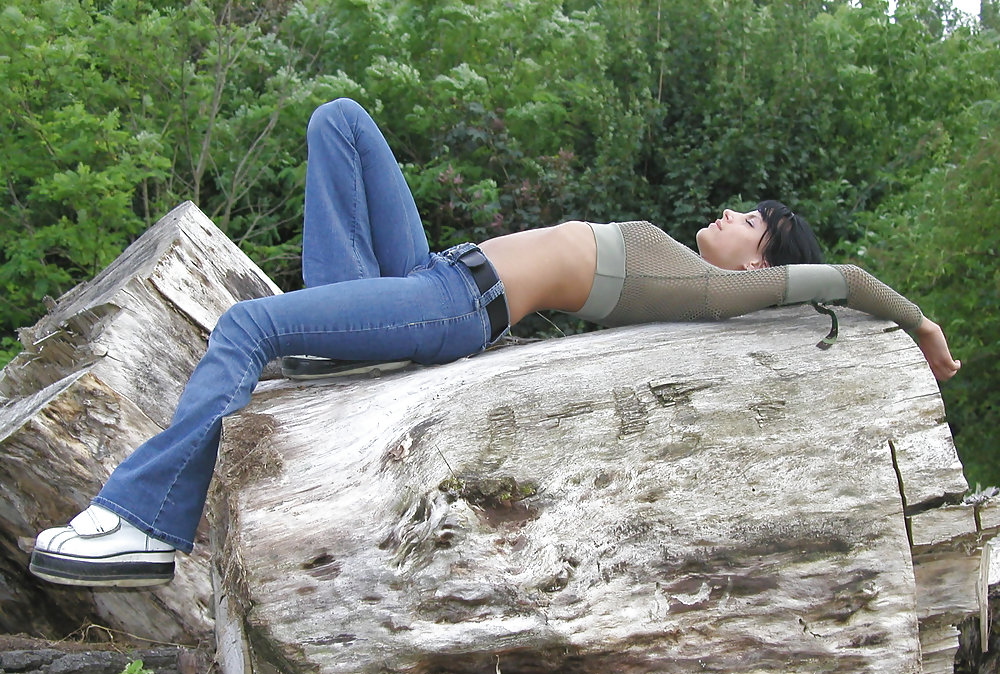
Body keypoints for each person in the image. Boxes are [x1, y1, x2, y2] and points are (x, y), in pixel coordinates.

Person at [28, 98, 961, 588]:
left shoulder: (717, 289)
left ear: (766, 256)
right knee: (341, 121)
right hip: (443, 269)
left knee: (245, 323)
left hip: (450, 309)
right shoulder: (683, 259)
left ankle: (148, 522)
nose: (732, 211)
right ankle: (338, 333)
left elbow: (842, 282)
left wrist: (917, 324)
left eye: (751, 218)